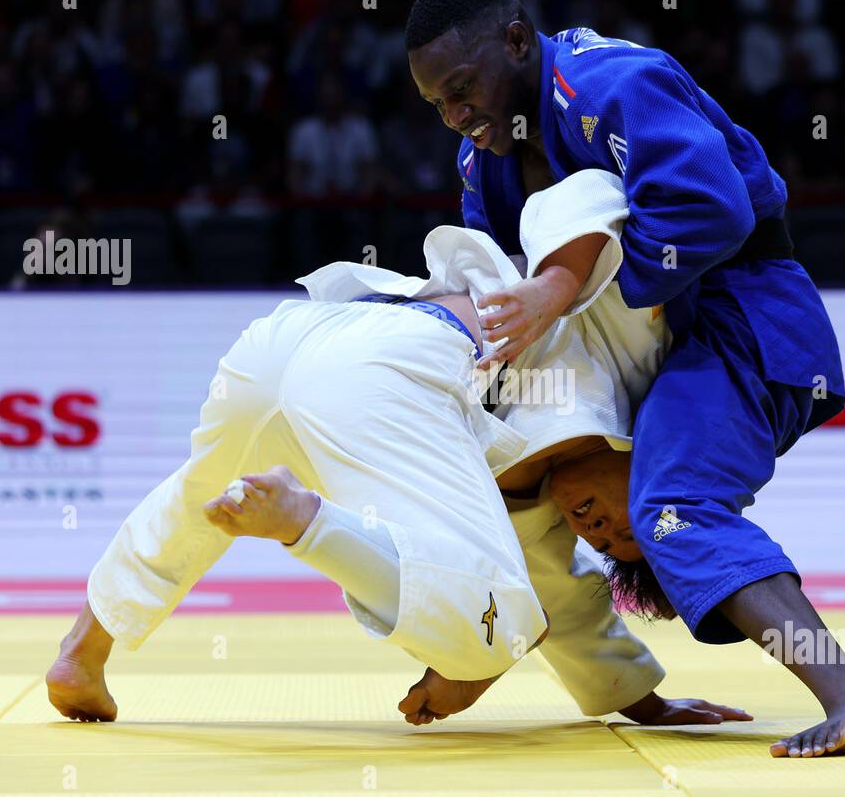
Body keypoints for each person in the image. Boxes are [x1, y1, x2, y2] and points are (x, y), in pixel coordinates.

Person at [403, 0, 845, 757]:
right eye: (438, 105)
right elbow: (496, 274)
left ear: (517, 42)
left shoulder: (611, 82)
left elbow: (716, 210)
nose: (456, 115)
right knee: (546, 494)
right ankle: (498, 652)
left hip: (739, 314)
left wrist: (574, 291)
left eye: (463, 89)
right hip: (652, 346)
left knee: (674, 501)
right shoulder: (486, 163)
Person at [46, 210, 743, 730]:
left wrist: (647, 705)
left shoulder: (536, 519)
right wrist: (558, 282)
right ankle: (306, 523)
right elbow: (593, 200)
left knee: (201, 499)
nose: (598, 531)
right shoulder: (616, 379)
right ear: (647, 478)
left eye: (606, 545)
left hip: (286, 348)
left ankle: (82, 655)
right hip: (387, 358)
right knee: (498, 638)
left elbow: (570, 604)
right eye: (627, 528)